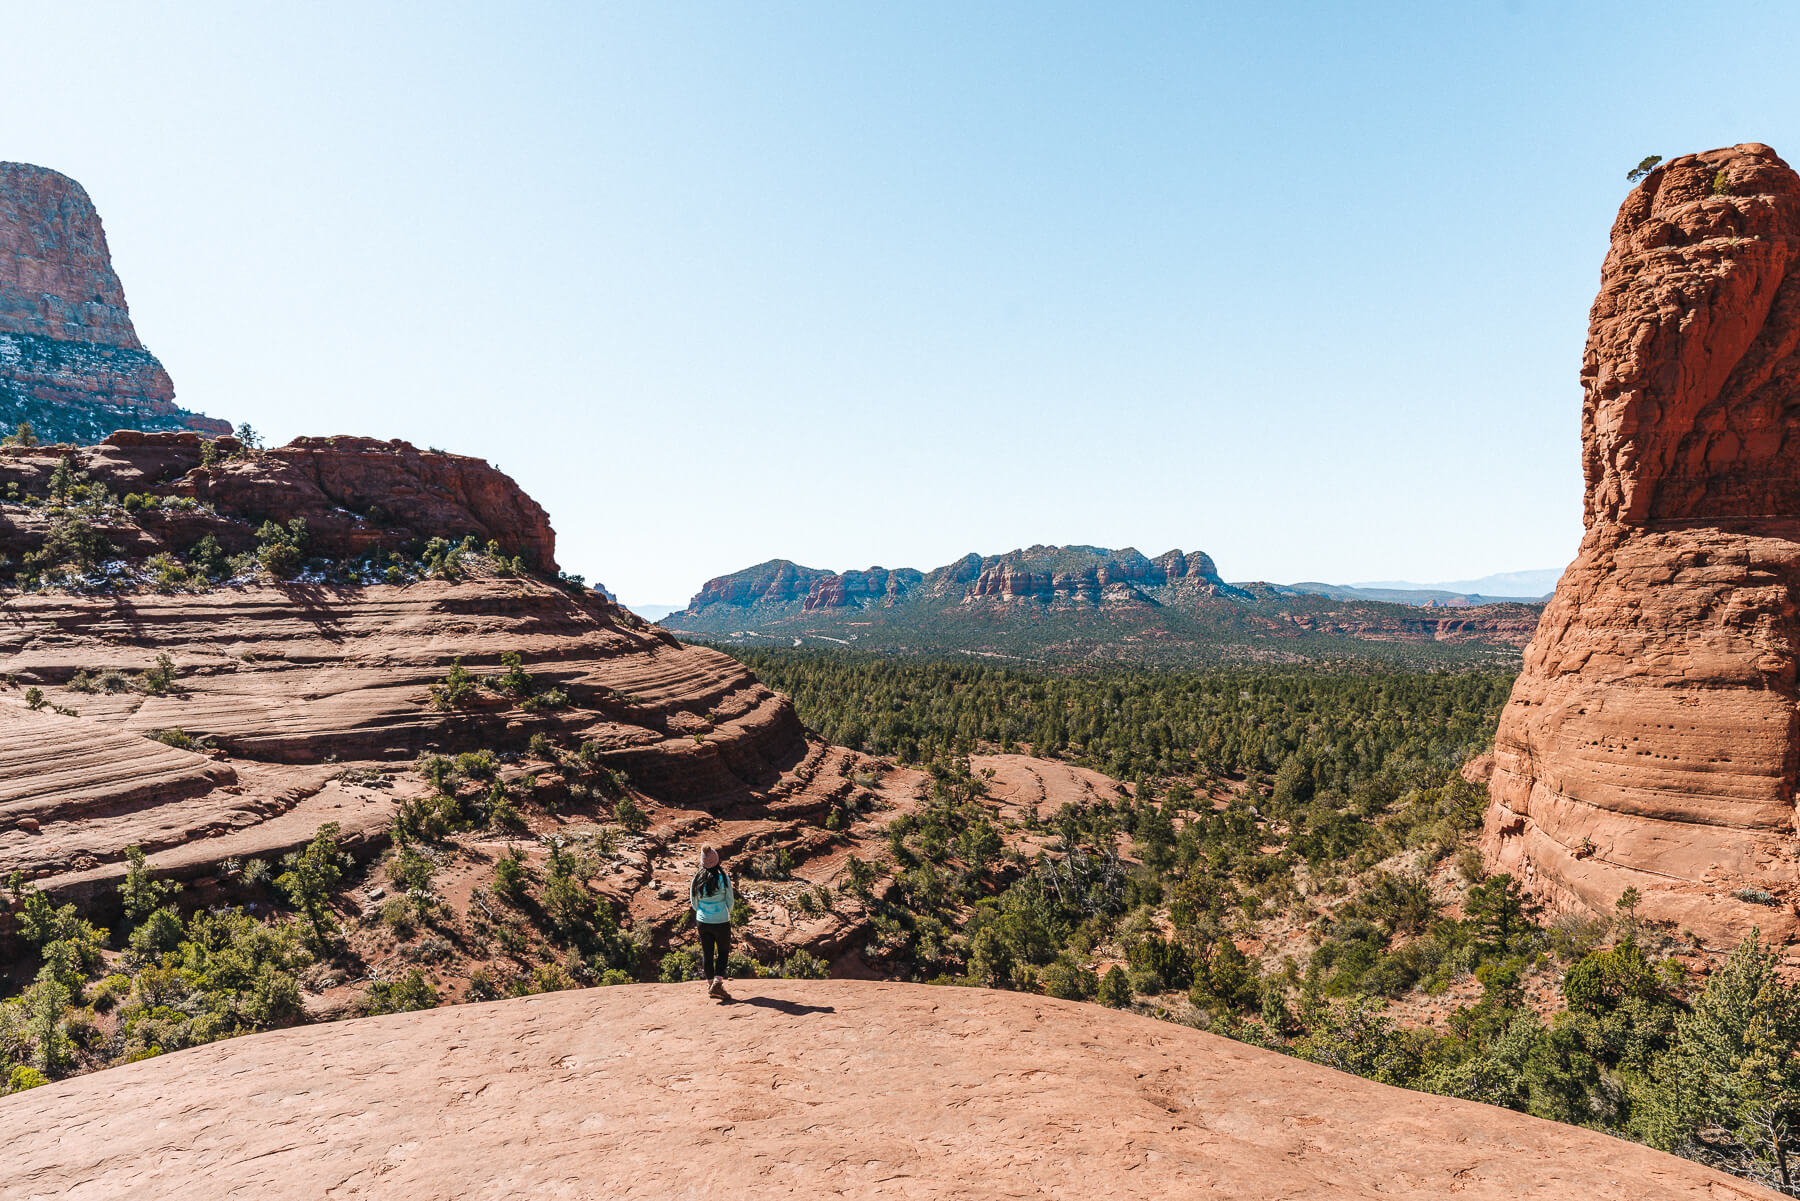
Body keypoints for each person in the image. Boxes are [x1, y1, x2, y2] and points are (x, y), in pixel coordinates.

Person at [689, 846, 735, 998]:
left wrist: (702, 912)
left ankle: (710, 985)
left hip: (703, 921)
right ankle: (717, 983)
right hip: (721, 921)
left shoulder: (697, 879)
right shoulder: (723, 878)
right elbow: (730, 900)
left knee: (707, 953)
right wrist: (725, 913)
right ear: (716, 860)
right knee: (723, 952)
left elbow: (694, 902)